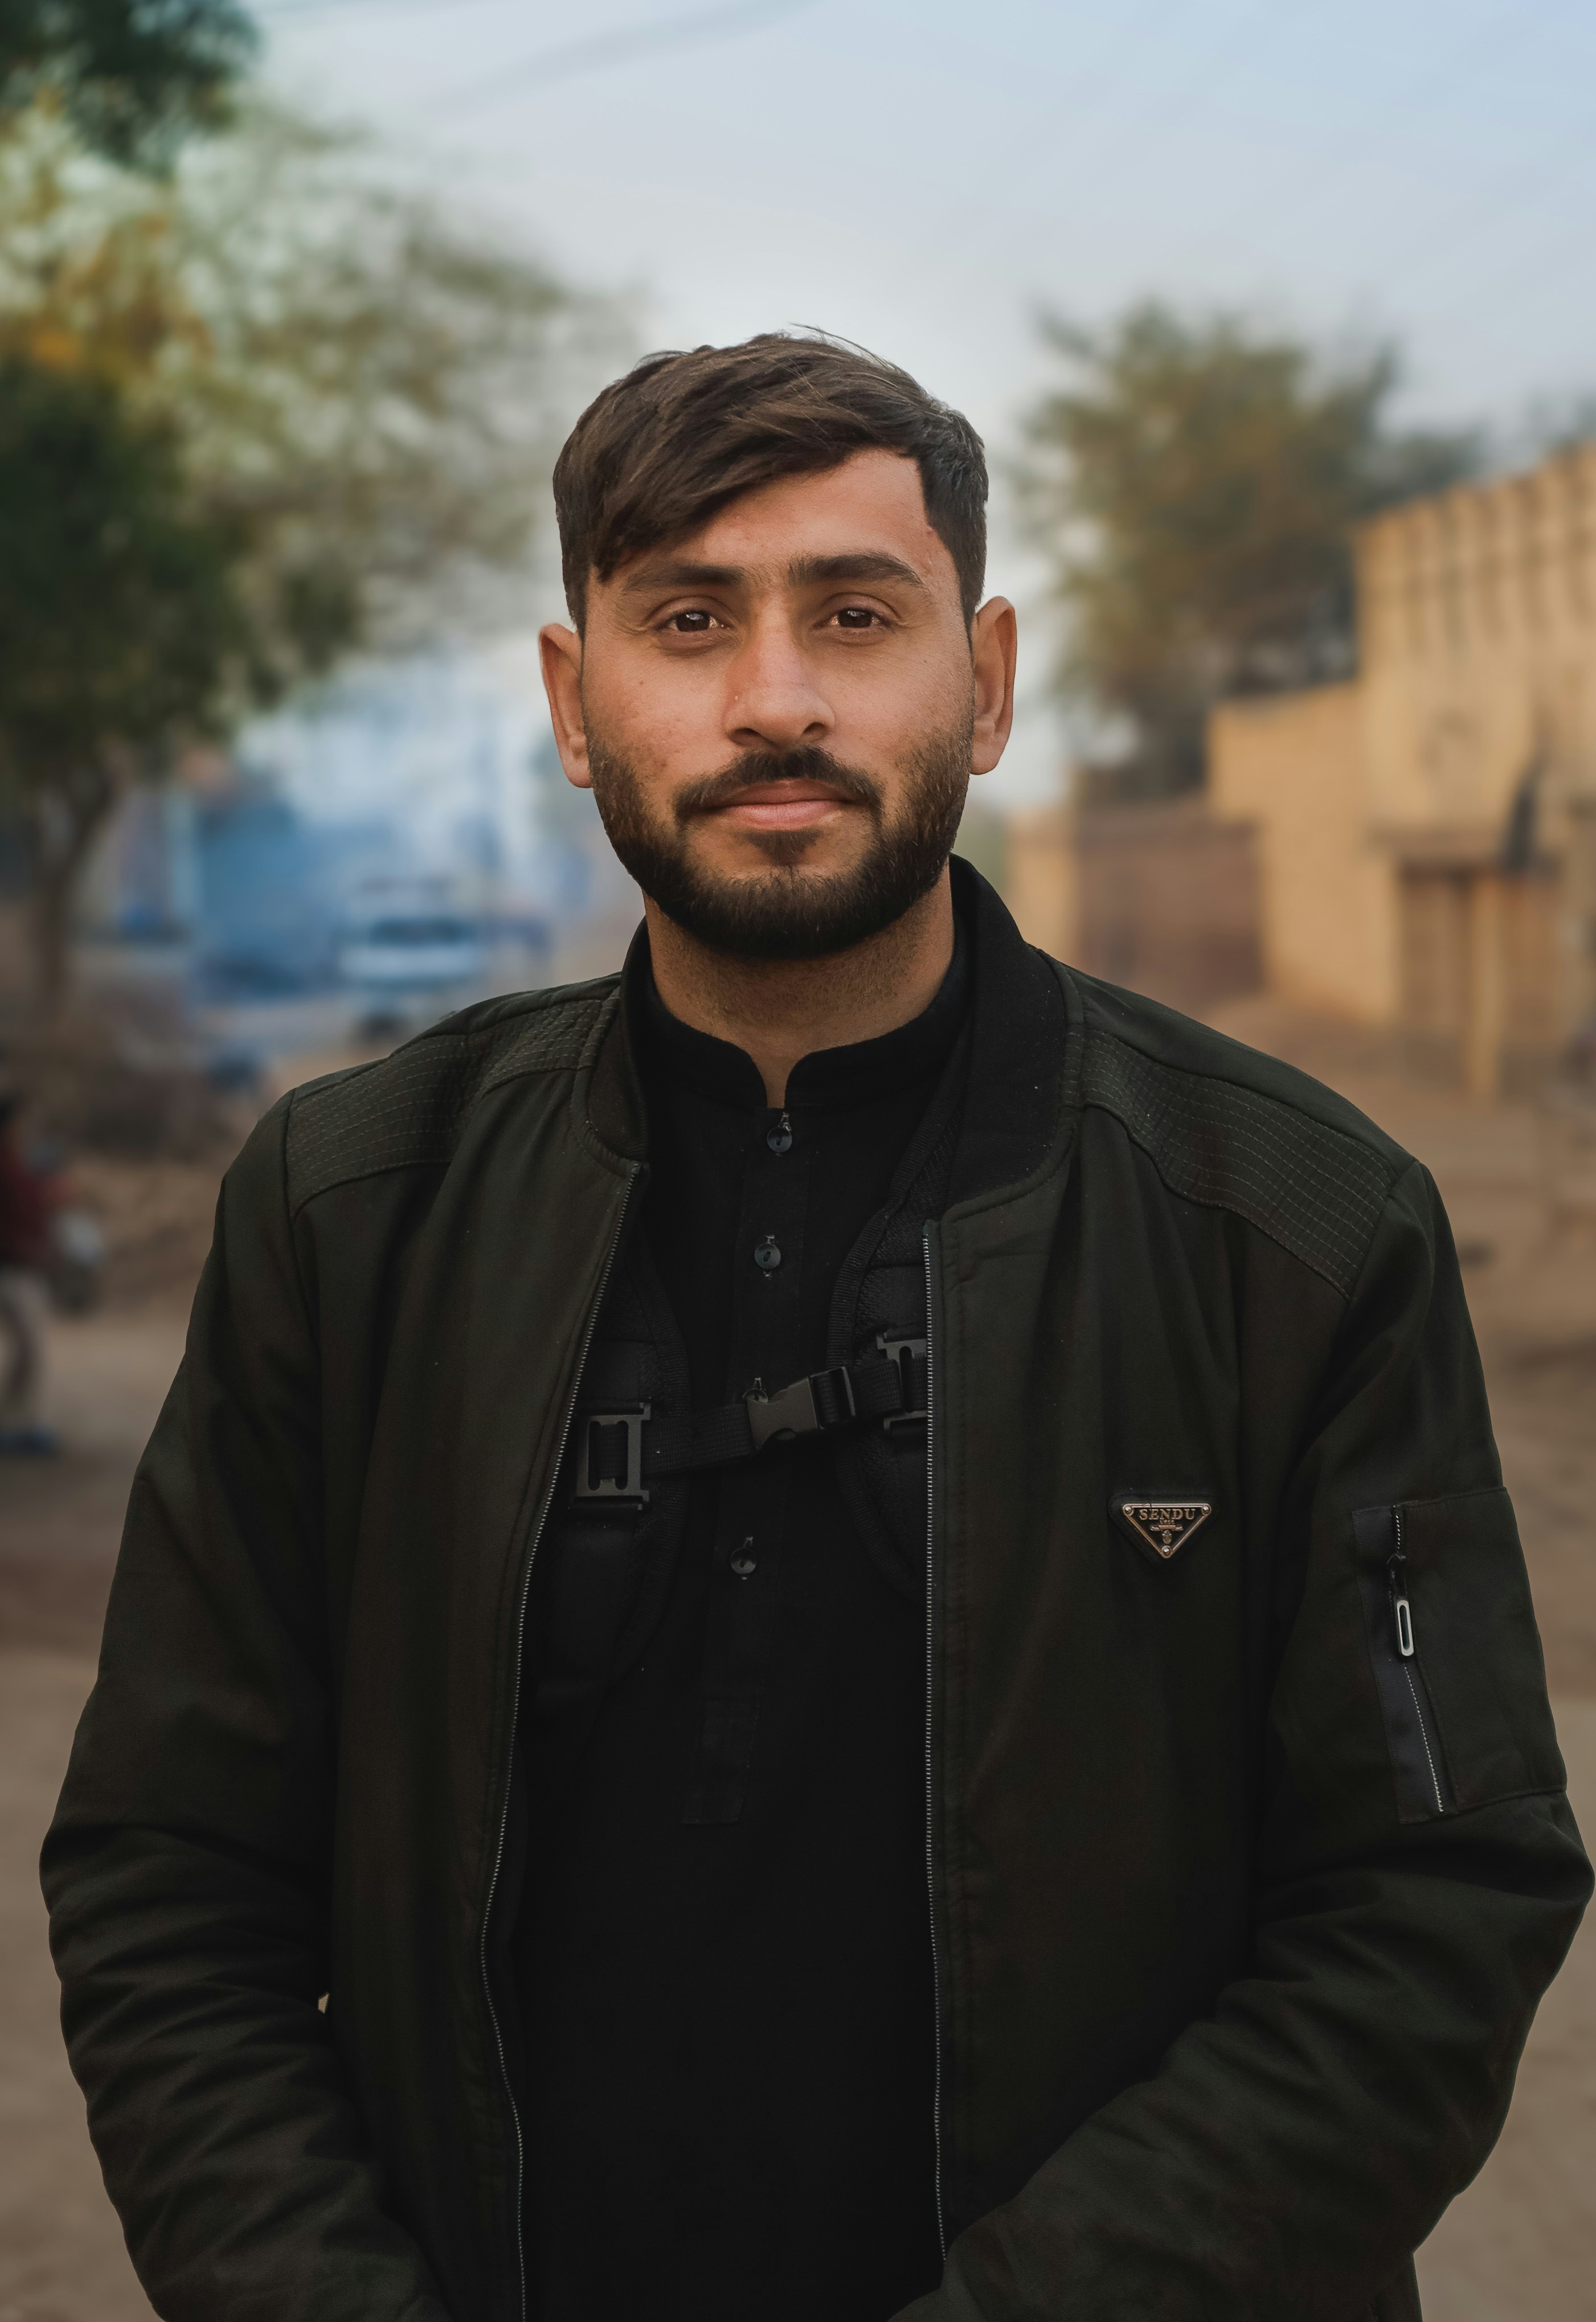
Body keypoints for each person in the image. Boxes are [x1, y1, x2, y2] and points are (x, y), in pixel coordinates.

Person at [44, 335, 1590, 2322]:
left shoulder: (1293, 1233)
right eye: (686, 620)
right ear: (574, 702)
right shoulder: (351, 1216)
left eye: (855, 615)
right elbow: (171, 1882)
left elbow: (1436, 1903)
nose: (773, 698)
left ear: (990, 680)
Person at [0, 1085, 58, 1456]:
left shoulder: (18, 1163)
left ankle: (17, 1423)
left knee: (29, 1351)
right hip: (11, 1269)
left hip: (21, 1267)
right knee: (28, 1350)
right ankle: (13, 1426)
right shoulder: (7, 1167)